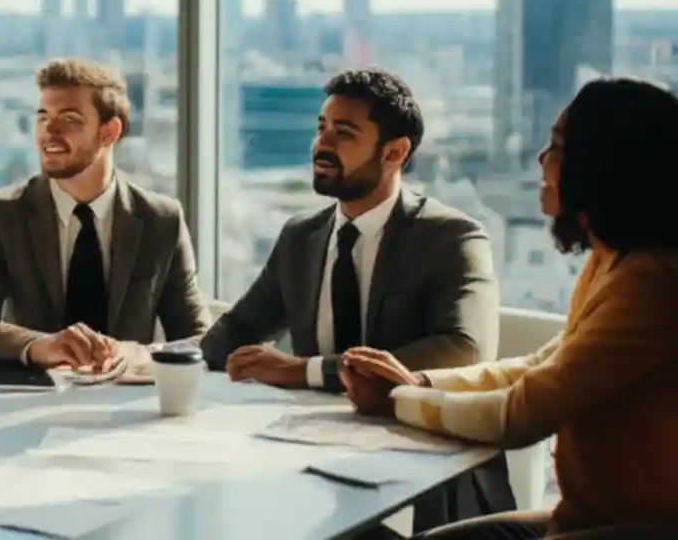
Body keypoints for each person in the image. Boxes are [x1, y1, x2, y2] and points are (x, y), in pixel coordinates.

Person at [342, 79, 678, 538]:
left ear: (601, 165)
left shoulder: (651, 282)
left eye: (558, 145)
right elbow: (538, 368)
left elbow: (521, 415)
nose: (543, 159)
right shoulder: (612, 260)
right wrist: (418, 381)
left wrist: (397, 401)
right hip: (581, 519)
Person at [199, 68, 511, 528]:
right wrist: (151, 365)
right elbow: (233, 334)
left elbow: (462, 348)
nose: (322, 144)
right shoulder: (301, 236)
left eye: (344, 133)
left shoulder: (452, 237)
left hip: (423, 459)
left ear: (395, 152)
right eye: (321, 127)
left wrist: (304, 371)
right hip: (312, 453)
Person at [0, 57, 211, 370]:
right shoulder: (3, 214)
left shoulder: (160, 220)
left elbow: (201, 337)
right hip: (29, 402)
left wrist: (138, 354)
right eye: (43, 117)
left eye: (69, 119)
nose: (49, 132)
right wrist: (39, 346)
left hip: (125, 406)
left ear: (109, 132)